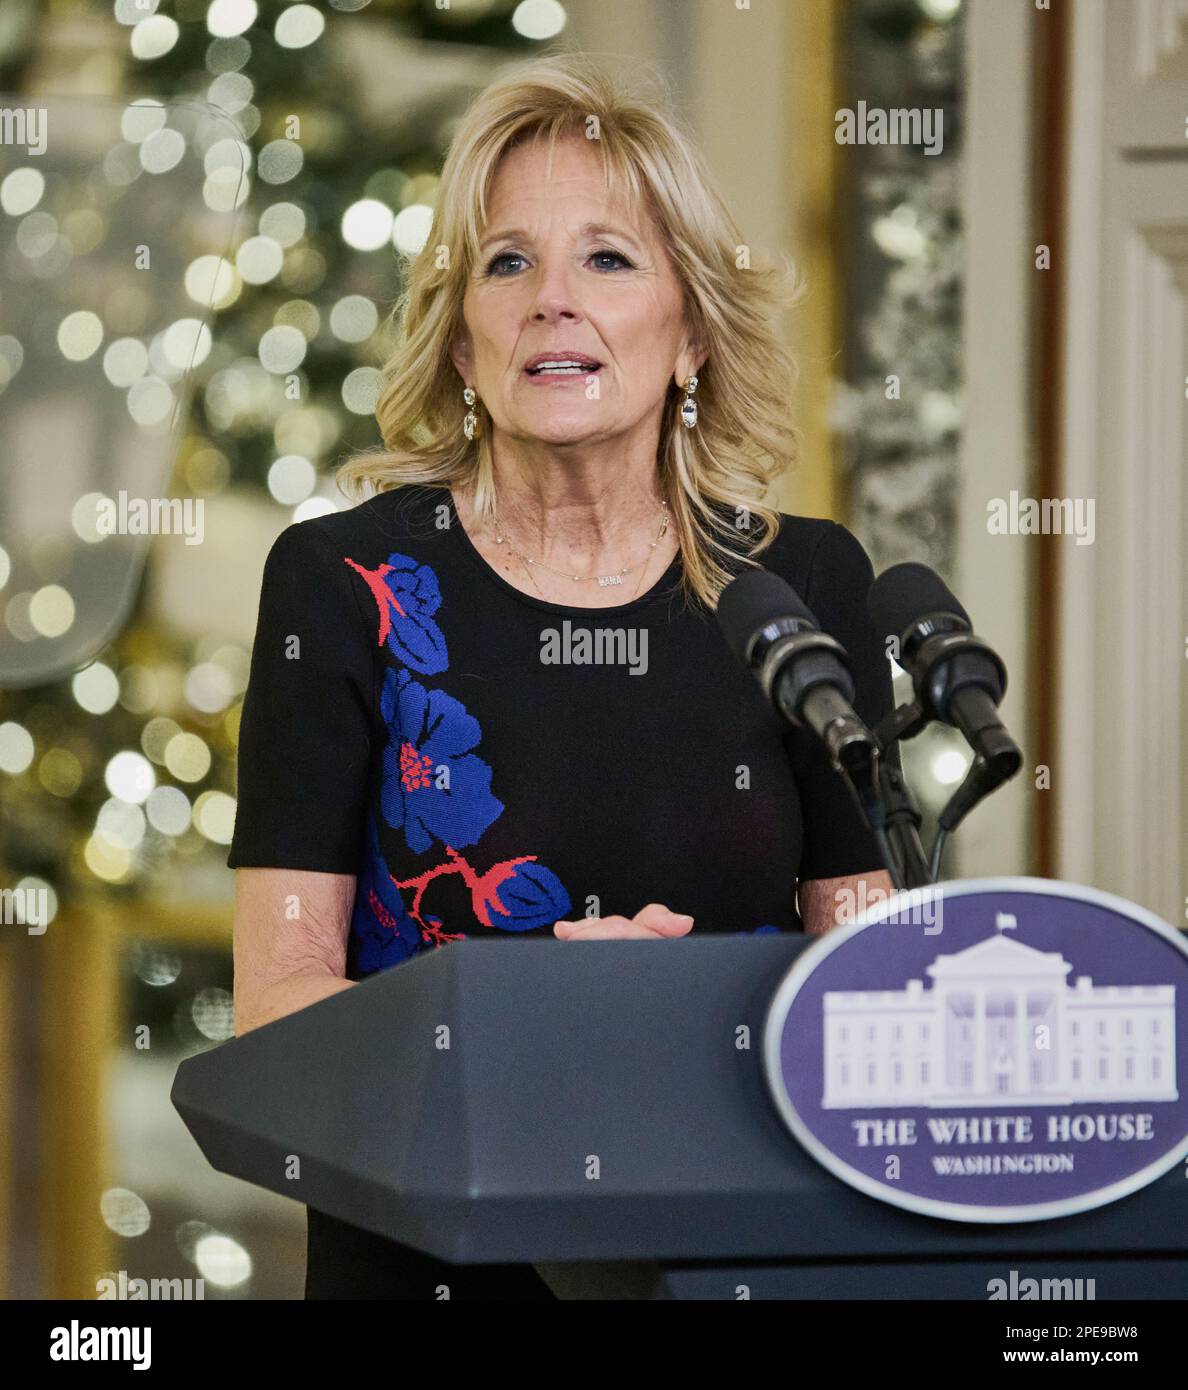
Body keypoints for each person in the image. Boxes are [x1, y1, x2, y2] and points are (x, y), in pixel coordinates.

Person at [228, 53, 895, 1300]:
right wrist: (520, 1016)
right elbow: (275, 1011)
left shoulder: (802, 587)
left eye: (608, 257)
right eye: (507, 261)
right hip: (426, 1263)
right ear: (465, 345)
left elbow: (868, 992)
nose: (552, 301)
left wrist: (672, 1019)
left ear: (690, 332)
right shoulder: (344, 585)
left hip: (738, 1260)